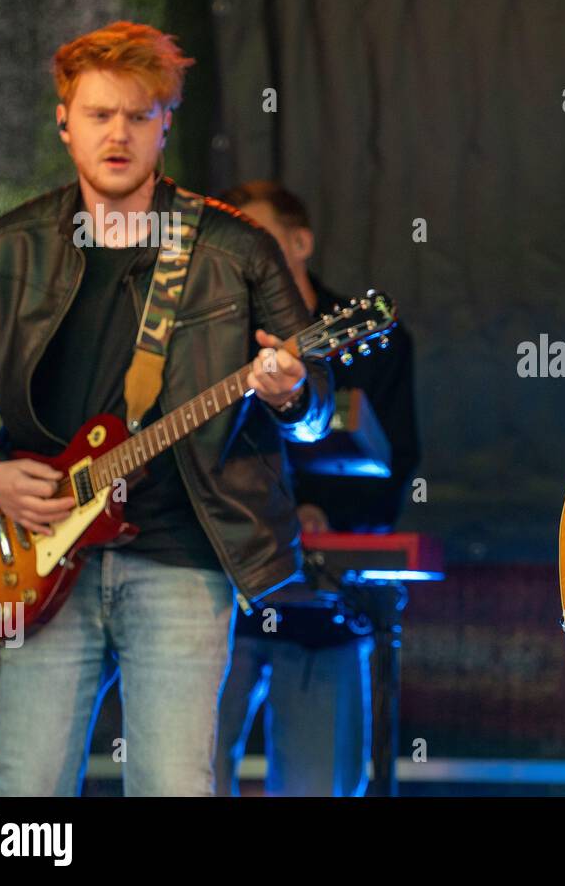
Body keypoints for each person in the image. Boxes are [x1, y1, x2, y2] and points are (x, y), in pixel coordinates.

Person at [0, 21, 334, 796]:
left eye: (138, 115)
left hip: (181, 558)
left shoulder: (237, 249)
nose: (118, 133)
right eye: (99, 114)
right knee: (25, 792)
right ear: (64, 121)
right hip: (37, 556)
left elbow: (313, 404)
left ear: (165, 122)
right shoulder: (15, 244)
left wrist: (292, 393)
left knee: (174, 785)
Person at [213, 181, 420, 796]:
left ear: (300, 243)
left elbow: (399, 460)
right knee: (182, 774)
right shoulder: (210, 344)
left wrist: (321, 511)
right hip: (217, 594)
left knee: (317, 785)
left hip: (321, 598)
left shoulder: (364, 340)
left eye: (260, 242)